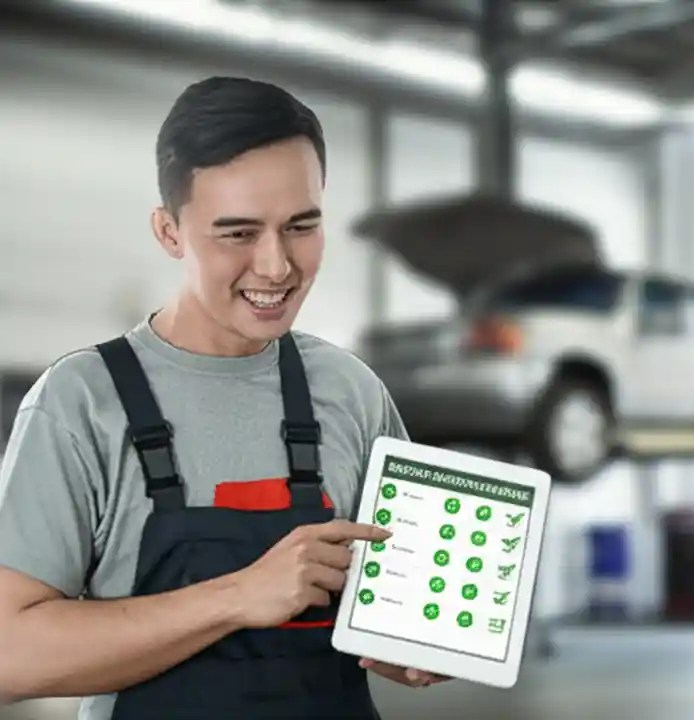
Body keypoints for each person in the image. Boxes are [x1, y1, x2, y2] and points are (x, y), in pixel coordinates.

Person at [0, 76, 448, 719]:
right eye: (238, 233)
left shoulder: (351, 391)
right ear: (169, 231)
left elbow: (406, 602)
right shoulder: (80, 404)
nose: (276, 266)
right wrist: (240, 595)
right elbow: (9, 657)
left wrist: (418, 645)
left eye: (301, 226)